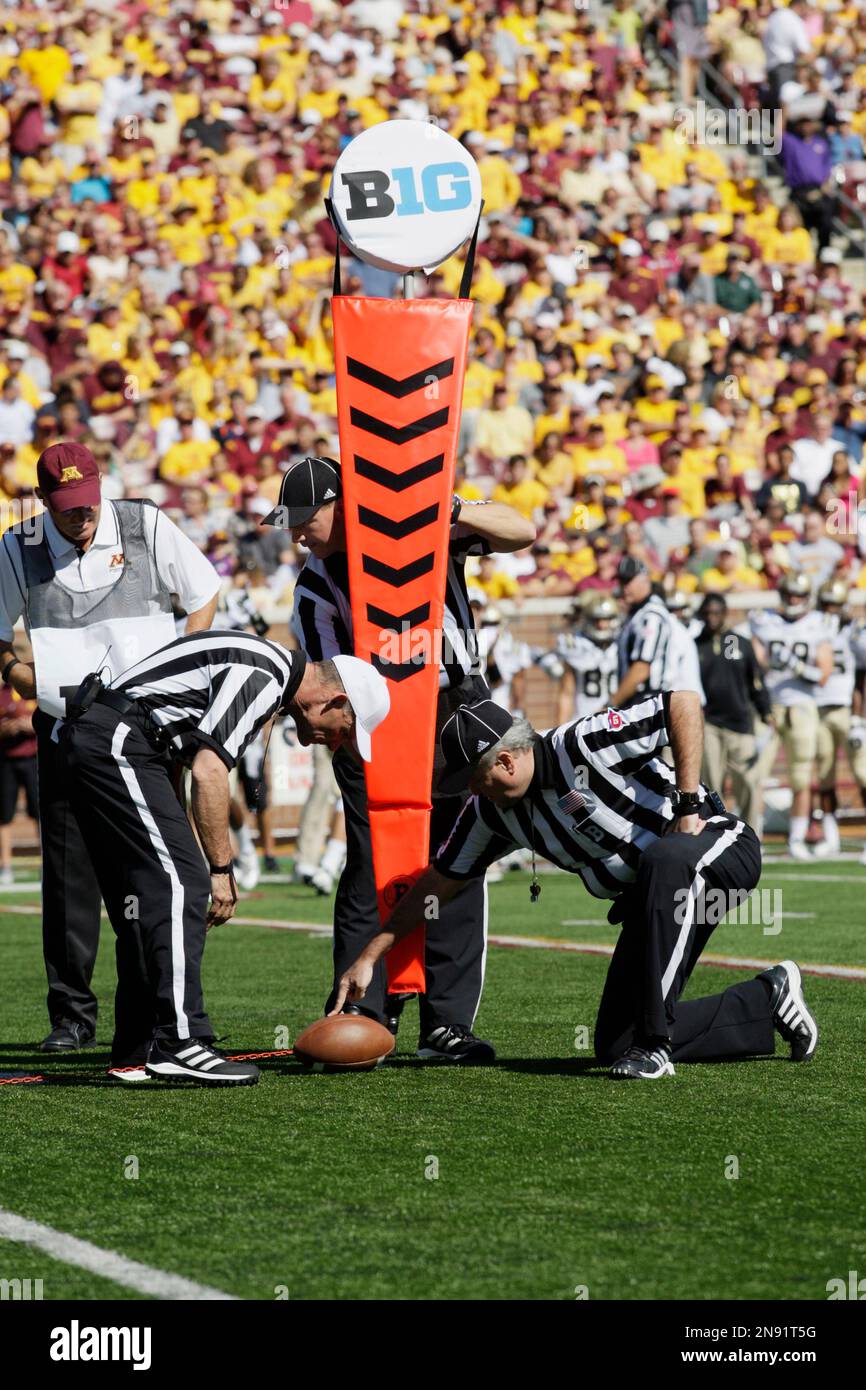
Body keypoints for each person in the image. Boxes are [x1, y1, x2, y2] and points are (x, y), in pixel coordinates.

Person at [331, 696, 818, 1079]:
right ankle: (766, 999)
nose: (473, 793)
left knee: (664, 861)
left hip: (716, 846)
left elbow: (681, 703)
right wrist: (372, 954)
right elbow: (438, 884)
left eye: (475, 780)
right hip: (653, 894)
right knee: (614, 1044)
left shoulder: (582, 744)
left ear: (505, 762)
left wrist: (689, 804)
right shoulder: (492, 814)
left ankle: (655, 1048)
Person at [264, 455, 535, 1060]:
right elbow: (337, 682)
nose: (297, 532)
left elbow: (524, 531)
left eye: (306, 518)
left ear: (341, 504)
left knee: (461, 859)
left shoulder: (422, 527)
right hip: (374, 718)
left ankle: (447, 1023)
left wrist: (450, 509)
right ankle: (362, 1007)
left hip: (458, 706)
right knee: (370, 861)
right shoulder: (315, 586)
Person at [59, 631, 389, 1085]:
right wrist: (219, 870)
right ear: (335, 700)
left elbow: (178, 756)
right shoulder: (264, 674)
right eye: (345, 730)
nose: (333, 742)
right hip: (118, 744)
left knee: (146, 899)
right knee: (180, 888)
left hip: (103, 740)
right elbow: (208, 769)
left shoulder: (264, 665)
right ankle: (179, 1041)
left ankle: (135, 1052)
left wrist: (193, 852)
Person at [0, 442, 220, 1060]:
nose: (81, 516)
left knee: (148, 870)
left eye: (88, 502)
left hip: (145, 725)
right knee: (68, 877)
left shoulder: (146, 522)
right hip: (65, 723)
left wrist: (181, 661)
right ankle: (71, 1014)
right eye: (66, 507)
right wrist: (20, 676)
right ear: (44, 502)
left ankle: (154, 1008)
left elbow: (203, 591)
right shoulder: (17, 545)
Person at [750, 572, 833, 860]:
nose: (793, 599)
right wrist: (762, 662)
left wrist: (796, 666)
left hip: (801, 707)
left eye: (798, 595)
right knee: (754, 776)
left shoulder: (818, 624)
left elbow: (823, 675)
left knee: (800, 777)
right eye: (789, 594)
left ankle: (795, 839)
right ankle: (752, 838)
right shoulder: (763, 619)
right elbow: (745, 655)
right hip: (768, 707)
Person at [694, 593, 770, 833]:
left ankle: (750, 834)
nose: (711, 618)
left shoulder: (742, 643)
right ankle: (716, 833)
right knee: (710, 784)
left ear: (725, 613)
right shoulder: (694, 645)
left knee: (747, 781)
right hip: (708, 723)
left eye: (716, 612)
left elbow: (756, 682)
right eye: (707, 613)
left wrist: (765, 711)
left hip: (740, 722)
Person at [611, 557, 678, 706]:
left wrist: (612, 703)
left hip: (647, 704)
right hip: (637, 703)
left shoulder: (651, 616)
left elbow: (642, 668)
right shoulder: (637, 613)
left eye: (628, 581)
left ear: (645, 579)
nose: (624, 587)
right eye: (621, 582)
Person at [0, 681, 37, 885]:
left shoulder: (34, 690)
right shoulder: (3, 693)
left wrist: (32, 724)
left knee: (40, 813)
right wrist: (7, 728)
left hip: (33, 759)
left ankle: (44, 863)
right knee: (4, 816)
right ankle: (5, 866)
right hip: (7, 759)